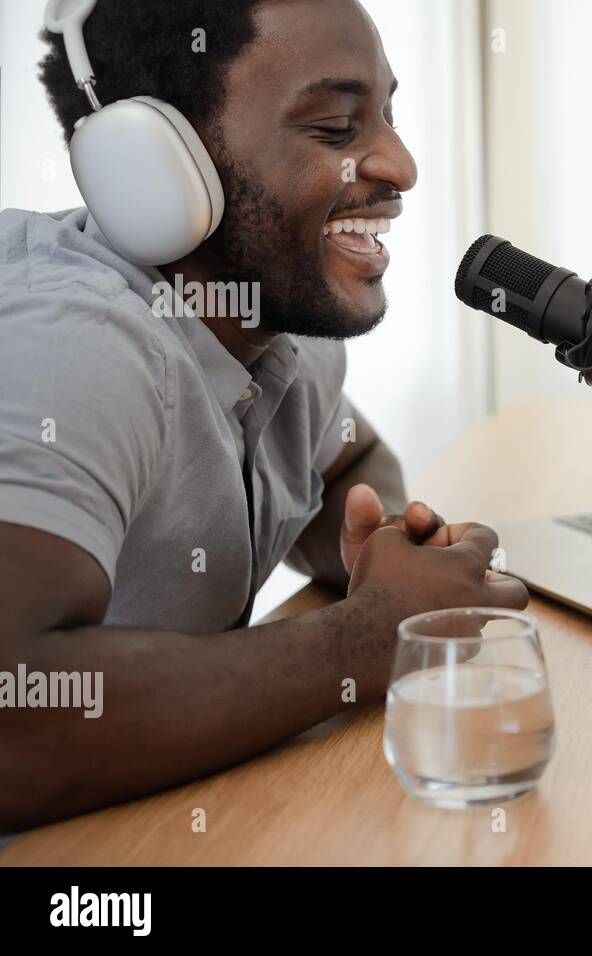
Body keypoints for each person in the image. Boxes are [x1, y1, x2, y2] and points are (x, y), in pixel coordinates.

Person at [0, 0, 526, 831]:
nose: (399, 163)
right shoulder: (73, 346)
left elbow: (347, 465)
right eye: (334, 127)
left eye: (387, 116)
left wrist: (378, 543)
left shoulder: (280, 335)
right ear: (155, 163)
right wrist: (370, 634)